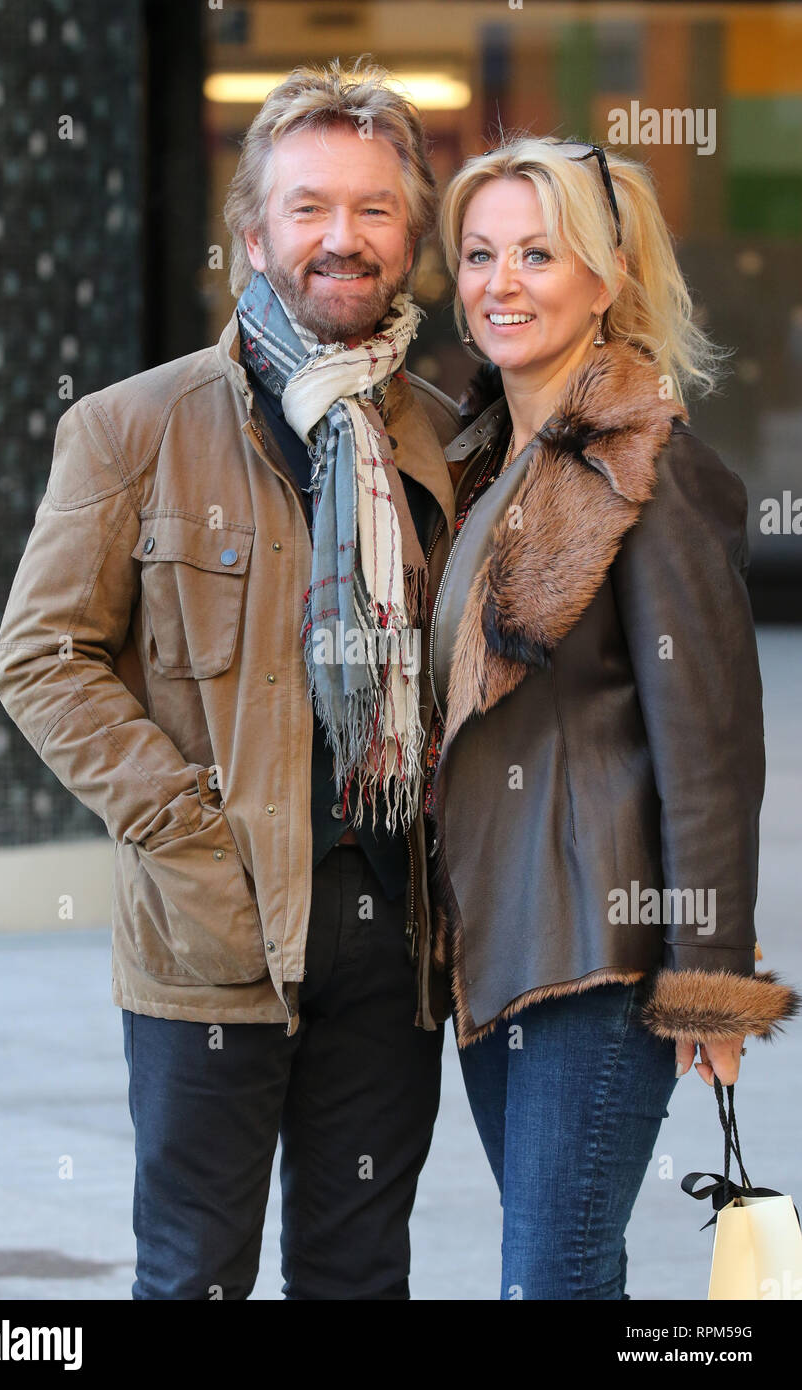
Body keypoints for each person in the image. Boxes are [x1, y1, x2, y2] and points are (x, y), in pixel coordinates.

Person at [0, 59, 462, 1300]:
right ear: (252, 230)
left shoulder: (446, 434)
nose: (341, 238)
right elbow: (42, 655)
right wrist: (185, 832)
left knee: (357, 1274)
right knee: (196, 1273)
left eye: (373, 209)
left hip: (390, 938)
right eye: (308, 207)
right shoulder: (132, 426)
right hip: (214, 932)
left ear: (409, 234)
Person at [422, 135, 800, 1300]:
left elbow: (711, 747)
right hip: (499, 948)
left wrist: (710, 973)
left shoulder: (650, 465)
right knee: (569, 1272)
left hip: (601, 950)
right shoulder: (485, 465)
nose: (501, 282)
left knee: (555, 1276)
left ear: (607, 275)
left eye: (539, 253)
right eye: (479, 253)